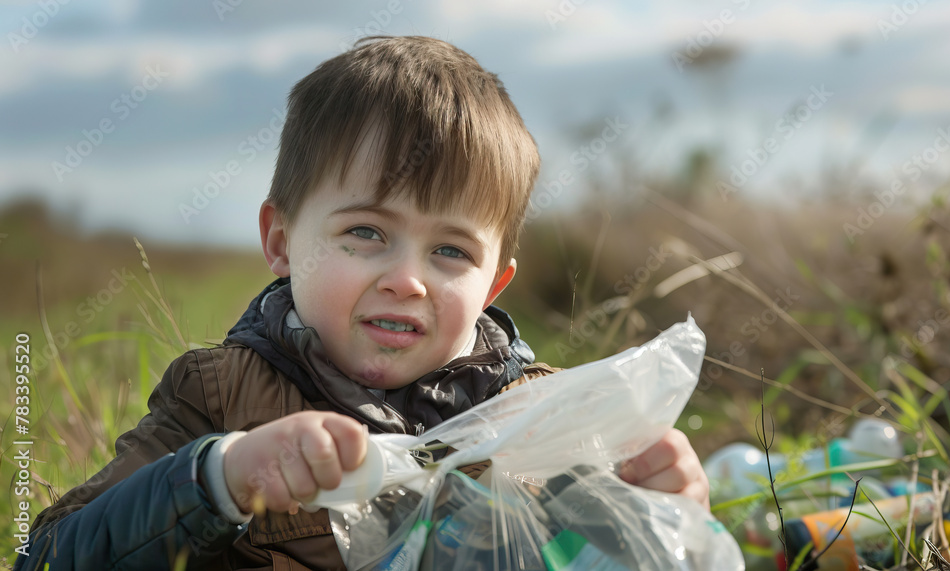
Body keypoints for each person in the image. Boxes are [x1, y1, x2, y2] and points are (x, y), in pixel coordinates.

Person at [16, 36, 709, 570]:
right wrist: (221, 476)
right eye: (366, 233)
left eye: (451, 251)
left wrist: (663, 510)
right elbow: (47, 556)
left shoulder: (548, 421)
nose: (407, 280)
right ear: (282, 242)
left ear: (494, 285)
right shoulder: (220, 397)